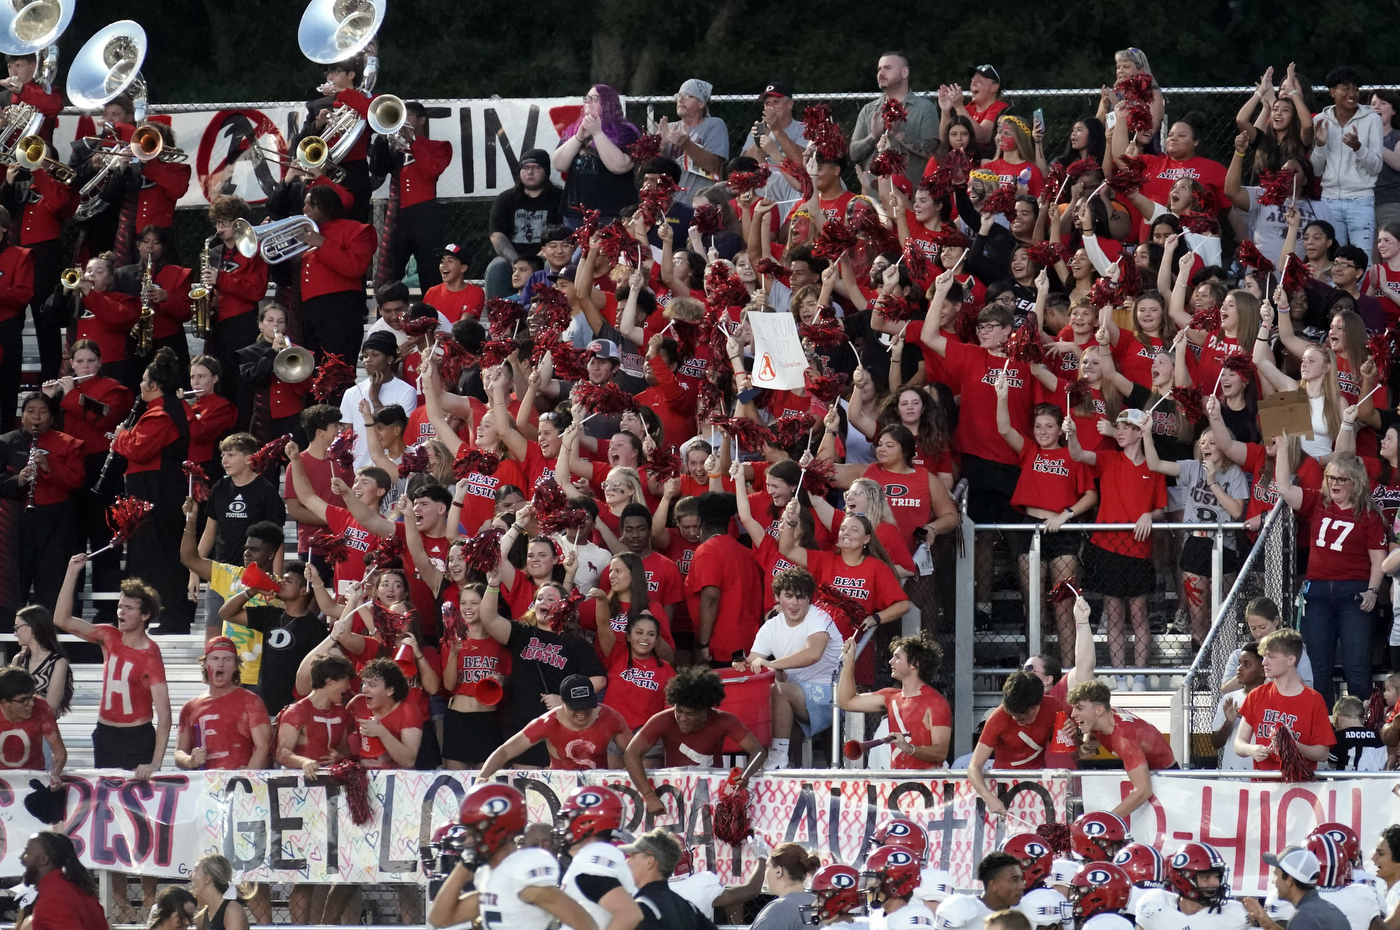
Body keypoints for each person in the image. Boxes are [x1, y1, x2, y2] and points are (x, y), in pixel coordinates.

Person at [1276, 448, 1386, 707]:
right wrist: (1283, 448)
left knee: (1356, 664)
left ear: (1355, 482)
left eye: (1341, 479)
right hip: (1318, 593)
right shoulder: (1317, 502)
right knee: (1317, 665)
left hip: (1355, 592)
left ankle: (1361, 729)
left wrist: (1372, 590)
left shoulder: (1369, 515)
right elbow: (1283, 487)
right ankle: (1323, 728)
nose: (1334, 484)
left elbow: (1378, 559)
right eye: (1330, 478)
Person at [1066, 409, 1166, 679]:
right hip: (1108, 548)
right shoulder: (1109, 458)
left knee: (1138, 613)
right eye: (1118, 427)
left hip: (1139, 550)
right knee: (1113, 613)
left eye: (1125, 427)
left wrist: (1149, 514)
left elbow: (1161, 509)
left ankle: (1141, 675)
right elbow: (1077, 455)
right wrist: (1073, 434)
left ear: (1138, 432)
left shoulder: (1154, 467)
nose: (1119, 432)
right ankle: (1121, 676)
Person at [54, 558, 169, 780]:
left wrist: (155, 764)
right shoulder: (108, 636)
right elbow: (61, 619)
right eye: (119, 606)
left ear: (144, 615)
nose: (120, 612)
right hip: (105, 734)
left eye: (128, 608)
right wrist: (71, 572)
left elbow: (165, 716)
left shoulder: (150, 654)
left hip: (137, 738)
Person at [429, 783, 596, 930]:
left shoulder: (522, 871)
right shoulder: (490, 874)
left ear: (495, 831)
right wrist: (465, 865)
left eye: (473, 832)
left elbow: (585, 925)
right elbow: (440, 918)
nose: (467, 839)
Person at [111, 348, 192, 633]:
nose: (140, 386)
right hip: (154, 486)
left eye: (144, 380)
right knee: (151, 553)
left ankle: (172, 617)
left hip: (156, 488)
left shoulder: (160, 414)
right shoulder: (163, 410)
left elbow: (137, 448)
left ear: (153, 385)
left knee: (160, 554)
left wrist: (120, 436)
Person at [624, 666, 766, 815]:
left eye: (690, 714)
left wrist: (746, 775)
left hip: (712, 796)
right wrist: (649, 795)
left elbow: (757, 751)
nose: (683, 718)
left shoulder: (725, 720)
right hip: (673, 796)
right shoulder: (662, 720)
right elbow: (631, 754)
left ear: (705, 711)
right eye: (679, 711)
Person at [738, 567, 842, 771]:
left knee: (779, 688)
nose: (794, 603)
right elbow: (753, 664)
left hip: (833, 696)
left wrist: (772, 664)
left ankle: (777, 756)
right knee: (769, 682)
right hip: (798, 696)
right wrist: (741, 665)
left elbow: (813, 653)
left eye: (801, 597)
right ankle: (761, 755)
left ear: (809, 600)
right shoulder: (770, 626)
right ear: (777, 597)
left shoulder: (819, 617)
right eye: (789, 596)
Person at [0, 392, 83, 616]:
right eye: (30, 412)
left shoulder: (67, 443)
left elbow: (77, 481)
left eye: (42, 412)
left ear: (51, 417)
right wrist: (17, 480)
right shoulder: (6, 442)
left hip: (57, 523)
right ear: (22, 416)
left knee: (52, 584)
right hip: (16, 525)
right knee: (13, 586)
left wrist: (49, 468)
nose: (36, 417)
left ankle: (54, 644)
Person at [969, 668, 1078, 814]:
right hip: (1004, 783)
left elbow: (1075, 755)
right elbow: (974, 767)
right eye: (1011, 713)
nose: (1015, 718)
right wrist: (988, 797)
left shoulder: (1053, 706)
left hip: (1038, 781)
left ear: (1038, 704)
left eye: (1023, 714)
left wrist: (1074, 736)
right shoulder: (998, 718)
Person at [201, 196, 269, 428]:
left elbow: (256, 291)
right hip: (217, 326)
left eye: (226, 222)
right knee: (220, 386)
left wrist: (222, 279)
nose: (220, 228)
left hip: (242, 326)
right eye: (217, 223)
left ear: (239, 223)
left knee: (242, 390)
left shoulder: (253, 251)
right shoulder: (214, 252)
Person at [837, 632, 951, 768]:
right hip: (897, 780)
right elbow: (847, 701)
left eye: (897, 657)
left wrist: (909, 748)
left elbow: (940, 753)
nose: (890, 661)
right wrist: (849, 661)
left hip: (928, 782)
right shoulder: (890, 696)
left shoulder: (936, 702)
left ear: (914, 664)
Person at [369, 100, 451, 290]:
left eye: (409, 117)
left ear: (422, 120)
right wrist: (381, 139)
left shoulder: (438, 146)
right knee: (390, 272)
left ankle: (431, 316)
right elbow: (378, 169)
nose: (403, 121)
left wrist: (414, 142)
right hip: (399, 216)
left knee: (430, 271)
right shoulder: (394, 147)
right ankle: (387, 315)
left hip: (425, 214)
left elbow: (432, 170)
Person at [477, 674, 631, 774]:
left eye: (586, 707)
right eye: (575, 708)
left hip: (598, 790)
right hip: (560, 789)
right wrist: (480, 780)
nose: (581, 713)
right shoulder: (547, 722)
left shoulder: (611, 718)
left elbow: (635, 753)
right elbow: (505, 752)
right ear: (562, 702)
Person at [1232, 629, 1336, 775]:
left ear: (1291, 660)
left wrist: (1292, 745)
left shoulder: (1313, 700)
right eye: (1264, 656)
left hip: (1299, 788)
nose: (1264, 662)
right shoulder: (1256, 695)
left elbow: (1322, 753)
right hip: (1263, 786)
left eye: (1271, 657)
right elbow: (1239, 744)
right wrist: (1251, 749)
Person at [1067, 680, 1175, 818]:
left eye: (1079, 708)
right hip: (1155, 773)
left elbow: (1143, 791)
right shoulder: (1102, 720)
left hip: (1167, 780)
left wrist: (1106, 820)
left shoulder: (1123, 737)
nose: (1073, 714)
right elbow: (1086, 750)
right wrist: (1079, 741)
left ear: (1099, 709)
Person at [297, 183, 379, 365]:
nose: (305, 209)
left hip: (340, 308)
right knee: (314, 368)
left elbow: (355, 267)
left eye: (311, 204)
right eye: (304, 204)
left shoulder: (355, 229)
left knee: (338, 369)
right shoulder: (304, 233)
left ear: (326, 205)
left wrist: (322, 243)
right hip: (310, 309)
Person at [685, 492, 764, 667]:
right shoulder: (745, 552)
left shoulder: (707, 551)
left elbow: (711, 596)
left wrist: (703, 644)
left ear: (699, 521)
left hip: (720, 647)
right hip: (749, 642)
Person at [1311, 67, 1383, 254]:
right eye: (1346, 88)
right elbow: (1316, 170)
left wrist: (1358, 148)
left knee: (1363, 258)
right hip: (1329, 199)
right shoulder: (1320, 120)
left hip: (1361, 199)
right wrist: (1320, 144)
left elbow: (1376, 167)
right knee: (1333, 258)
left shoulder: (1372, 119)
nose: (1352, 93)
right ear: (1332, 92)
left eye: (1356, 89)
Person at [173, 637, 272, 771]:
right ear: (205, 663)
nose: (220, 664)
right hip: (204, 785)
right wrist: (190, 760)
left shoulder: (251, 701)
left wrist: (244, 780)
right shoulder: (190, 707)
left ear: (235, 666)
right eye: (214, 659)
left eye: (227, 659)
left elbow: (264, 747)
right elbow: (179, 752)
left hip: (241, 782)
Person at [555, 786, 644, 930]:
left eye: (569, 820)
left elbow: (629, 914)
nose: (566, 829)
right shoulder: (594, 854)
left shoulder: (594, 855)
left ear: (585, 823)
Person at [553, 84, 639, 226]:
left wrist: (597, 133)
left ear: (607, 102)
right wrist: (579, 136)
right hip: (576, 214)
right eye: (587, 98)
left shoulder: (626, 131)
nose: (588, 101)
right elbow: (559, 164)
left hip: (612, 213)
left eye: (594, 98)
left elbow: (620, 166)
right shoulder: (573, 130)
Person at [486, 149, 564, 299]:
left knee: (552, 267)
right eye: (526, 168)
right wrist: (517, 263)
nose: (530, 172)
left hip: (546, 257)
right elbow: (497, 236)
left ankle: (549, 315)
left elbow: (563, 235)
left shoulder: (559, 198)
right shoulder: (506, 199)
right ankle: (498, 317)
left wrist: (536, 261)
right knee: (496, 267)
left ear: (546, 171)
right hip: (513, 259)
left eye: (536, 167)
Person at [340, 330, 417, 470]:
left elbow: (400, 432)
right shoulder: (351, 393)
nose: (367, 360)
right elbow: (346, 437)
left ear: (389, 359)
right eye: (365, 356)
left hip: (393, 468)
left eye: (375, 355)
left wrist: (374, 398)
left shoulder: (406, 391)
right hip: (360, 470)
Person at [625, 828, 722, 930]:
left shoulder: (640, 910)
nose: (627, 861)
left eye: (633, 856)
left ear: (650, 862)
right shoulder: (687, 907)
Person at [1135, 842, 1247, 930]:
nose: (1215, 883)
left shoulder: (1234, 914)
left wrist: (1265, 924)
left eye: (1217, 876)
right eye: (1206, 877)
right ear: (1184, 878)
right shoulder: (1154, 905)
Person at [1244, 846, 1351, 930]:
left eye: (1276, 875)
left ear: (1289, 880)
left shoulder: (1303, 918)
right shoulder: (1325, 909)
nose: (1274, 881)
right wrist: (1270, 926)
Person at [1221, 597, 1315, 692]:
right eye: (1253, 628)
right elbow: (1225, 690)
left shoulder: (1293, 651)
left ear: (1276, 620)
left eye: (1262, 627)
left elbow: (1307, 687)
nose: (1258, 633)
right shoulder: (1239, 655)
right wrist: (1249, 668)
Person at [660, 79, 729, 204]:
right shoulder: (668, 128)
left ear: (701, 103)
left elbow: (712, 164)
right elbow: (652, 171)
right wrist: (659, 147)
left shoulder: (714, 125)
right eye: (679, 96)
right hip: (671, 205)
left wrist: (687, 145)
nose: (680, 100)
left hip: (703, 204)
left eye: (687, 96)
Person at [21, 831, 108, 930]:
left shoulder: (52, 899)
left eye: (27, 852)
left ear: (43, 860)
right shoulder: (77, 889)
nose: (21, 856)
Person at [347, 656, 423, 769]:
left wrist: (381, 732)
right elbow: (339, 739)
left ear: (390, 690)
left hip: (396, 779)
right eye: (364, 683)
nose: (364, 689)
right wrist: (339, 755)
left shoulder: (408, 709)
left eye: (371, 685)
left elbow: (409, 761)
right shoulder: (357, 703)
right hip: (362, 777)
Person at [0, 666, 63, 785]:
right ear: (5, 702)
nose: (31, 703)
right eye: (24, 700)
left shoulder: (41, 707)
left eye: (32, 696)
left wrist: (55, 773)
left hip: (34, 778)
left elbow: (59, 752)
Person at [1211, 642, 1264, 770]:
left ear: (1262, 670)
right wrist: (1228, 722)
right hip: (1232, 776)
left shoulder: (1272, 699)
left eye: (1247, 665)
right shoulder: (1229, 699)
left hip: (1262, 776)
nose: (1239, 669)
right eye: (1239, 663)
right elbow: (1216, 743)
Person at [751, 843, 822, 930]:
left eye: (768, 867)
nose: (766, 872)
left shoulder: (778, 909)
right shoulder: (819, 903)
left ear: (778, 871)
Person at [189, 854, 250, 930]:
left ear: (207, 879)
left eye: (196, 869)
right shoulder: (201, 918)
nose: (190, 875)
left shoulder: (232, 911)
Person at [1328, 695, 1387, 771]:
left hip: (1344, 781)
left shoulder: (1339, 736)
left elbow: (1332, 764)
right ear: (1363, 717)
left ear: (1339, 718)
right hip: (1371, 781)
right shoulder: (1377, 736)